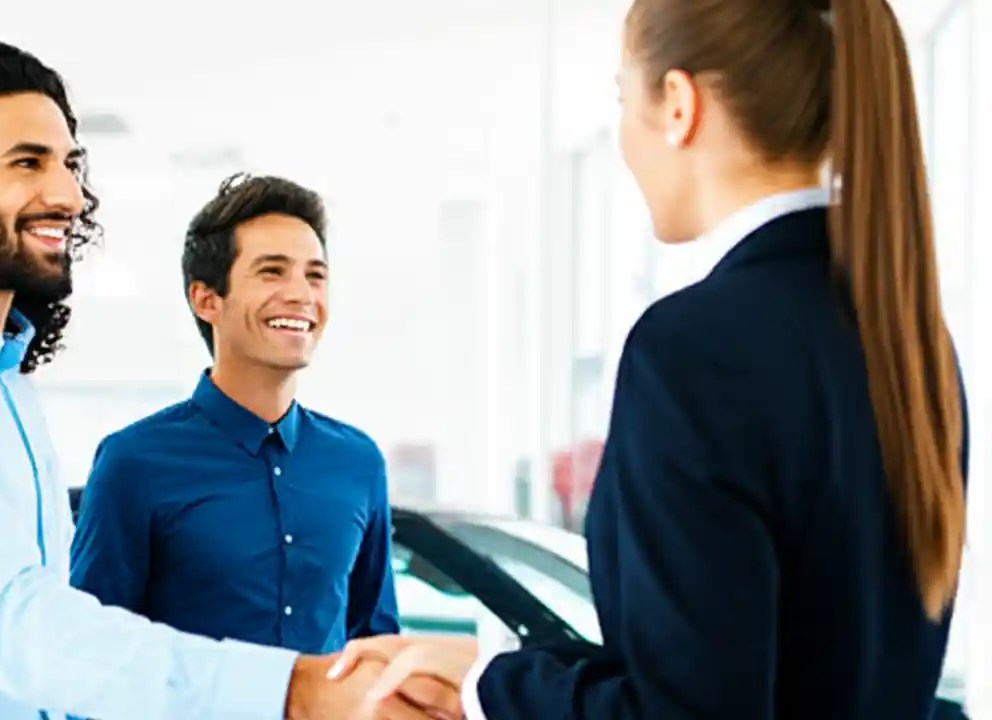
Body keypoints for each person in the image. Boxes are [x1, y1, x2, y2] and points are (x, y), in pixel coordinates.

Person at [0, 40, 444, 720]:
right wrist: (296, 692)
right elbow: (18, 625)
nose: (69, 194)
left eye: (71, 165)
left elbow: (59, 660)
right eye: (28, 163)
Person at [333, 0, 970, 718]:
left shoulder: (695, 349)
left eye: (621, 99)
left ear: (677, 104)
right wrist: (494, 672)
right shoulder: (910, 347)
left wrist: (494, 692)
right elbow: (763, 663)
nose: (623, 139)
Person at [69, 174, 400, 657]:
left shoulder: (357, 462)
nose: (301, 294)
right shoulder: (135, 461)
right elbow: (92, 655)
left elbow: (375, 644)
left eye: (315, 275)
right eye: (272, 271)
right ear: (207, 300)